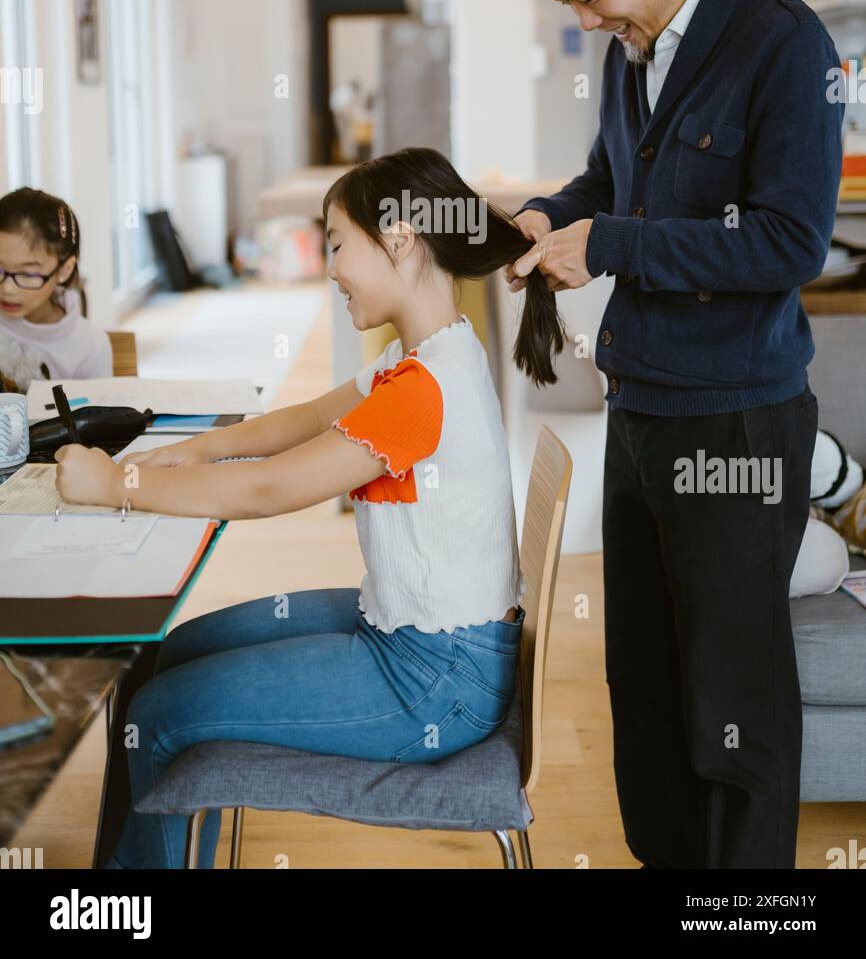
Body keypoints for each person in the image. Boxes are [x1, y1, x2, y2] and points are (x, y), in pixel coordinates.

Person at [54, 146, 563, 870]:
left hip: (433, 681)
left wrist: (118, 488)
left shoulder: (422, 388)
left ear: (399, 239)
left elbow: (273, 489)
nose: (328, 268)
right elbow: (308, 418)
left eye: (335, 244)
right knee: (162, 658)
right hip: (423, 641)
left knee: (155, 717)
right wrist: (202, 450)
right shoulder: (430, 353)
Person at [505, 0, 843, 870]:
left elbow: (790, 242)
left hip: (735, 420)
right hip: (641, 406)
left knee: (730, 695)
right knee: (642, 679)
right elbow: (609, 177)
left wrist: (606, 243)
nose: (582, 19)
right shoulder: (631, 47)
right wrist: (548, 213)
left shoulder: (781, 43)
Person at [0, 187, 112, 386]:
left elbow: (99, 415)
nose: (7, 289)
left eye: (28, 274)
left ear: (64, 270)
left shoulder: (90, 347)